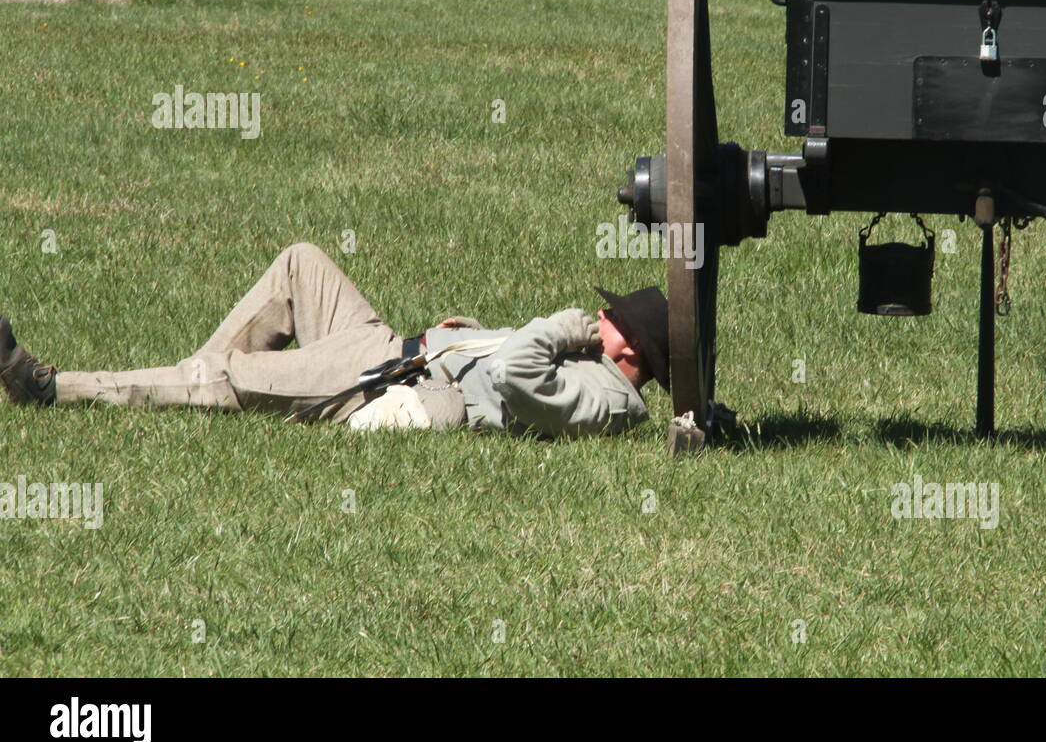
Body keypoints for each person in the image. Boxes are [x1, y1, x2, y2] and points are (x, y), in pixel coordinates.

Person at [0, 242, 669, 437]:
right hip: (396, 347)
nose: (596, 320)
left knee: (232, 375)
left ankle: (49, 389)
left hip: (397, 381)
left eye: (607, 321)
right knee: (301, 262)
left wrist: (565, 322)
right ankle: (189, 380)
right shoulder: (598, 372)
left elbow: (521, 374)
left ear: (629, 351)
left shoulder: (611, 400)